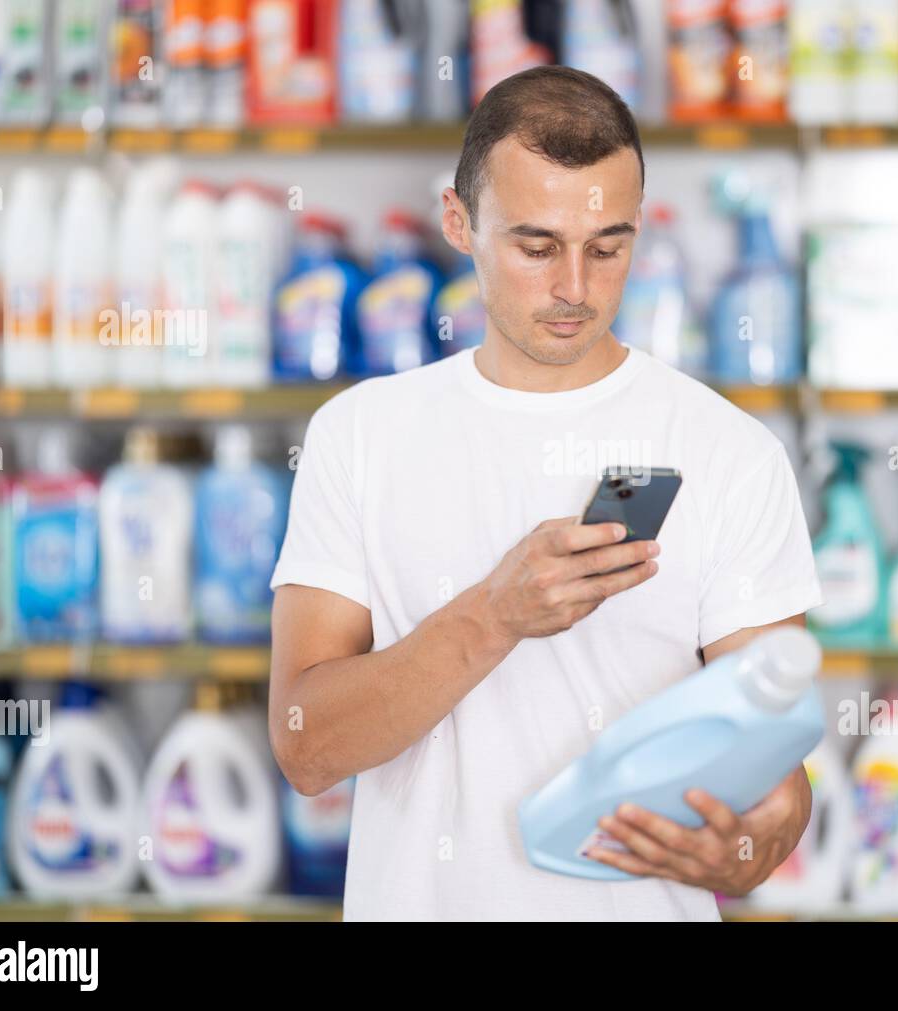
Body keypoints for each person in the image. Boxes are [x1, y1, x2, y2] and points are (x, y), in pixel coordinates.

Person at [268, 65, 822, 921]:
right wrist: (496, 613)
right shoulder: (361, 436)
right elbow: (306, 748)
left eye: (608, 247)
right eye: (536, 246)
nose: (575, 287)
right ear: (459, 222)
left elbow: (777, 777)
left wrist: (751, 843)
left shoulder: (728, 451)